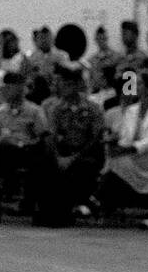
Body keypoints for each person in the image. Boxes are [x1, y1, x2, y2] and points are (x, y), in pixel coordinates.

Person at [96, 68, 148, 225]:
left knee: (123, 161)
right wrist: (116, 143)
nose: (136, 87)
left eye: (139, 83)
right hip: (132, 153)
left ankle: (99, 201)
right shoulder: (132, 110)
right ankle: (106, 203)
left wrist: (132, 148)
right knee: (114, 161)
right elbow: (126, 136)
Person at [33, 64, 105, 227]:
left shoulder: (93, 108)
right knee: (44, 164)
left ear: (78, 86)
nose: (64, 88)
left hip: (85, 152)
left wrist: (72, 158)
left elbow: (94, 138)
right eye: (63, 84)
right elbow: (52, 134)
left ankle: (65, 212)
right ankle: (46, 211)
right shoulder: (57, 108)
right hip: (63, 150)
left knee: (79, 168)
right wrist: (58, 157)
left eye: (69, 84)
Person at [0, 72, 48, 223]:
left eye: (13, 86)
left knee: (42, 160)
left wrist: (24, 143)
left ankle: (41, 213)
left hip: (26, 150)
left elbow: (42, 136)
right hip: (3, 151)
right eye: (6, 87)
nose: (8, 90)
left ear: (22, 89)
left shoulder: (34, 111)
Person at [85, 26, 120, 94]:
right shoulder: (92, 60)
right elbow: (90, 80)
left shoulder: (116, 57)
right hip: (97, 92)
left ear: (107, 39)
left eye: (103, 38)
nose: (101, 41)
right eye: (99, 39)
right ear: (96, 40)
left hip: (112, 91)